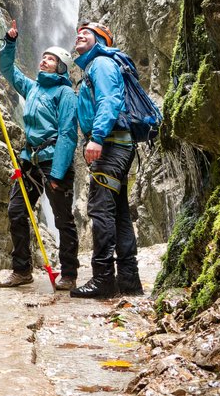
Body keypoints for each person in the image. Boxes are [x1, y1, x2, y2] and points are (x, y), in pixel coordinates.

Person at [0, 20, 79, 290]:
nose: (44, 61)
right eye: (43, 57)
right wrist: (10, 43)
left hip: (54, 160)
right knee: (17, 211)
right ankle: (21, 270)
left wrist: (58, 171)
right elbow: (7, 70)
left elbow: (68, 133)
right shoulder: (32, 88)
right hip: (30, 160)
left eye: (51, 59)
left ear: (61, 67)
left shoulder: (65, 93)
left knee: (62, 218)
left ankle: (69, 273)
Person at [70, 20, 143, 298]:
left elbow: (109, 101)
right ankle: (129, 280)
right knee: (119, 213)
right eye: (79, 32)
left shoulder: (100, 64)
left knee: (101, 211)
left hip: (111, 146)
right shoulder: (99, 64)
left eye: (87, 33)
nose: (80, 34)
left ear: (101, 41)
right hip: (120, 145)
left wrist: (97, 137)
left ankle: (102, 279)